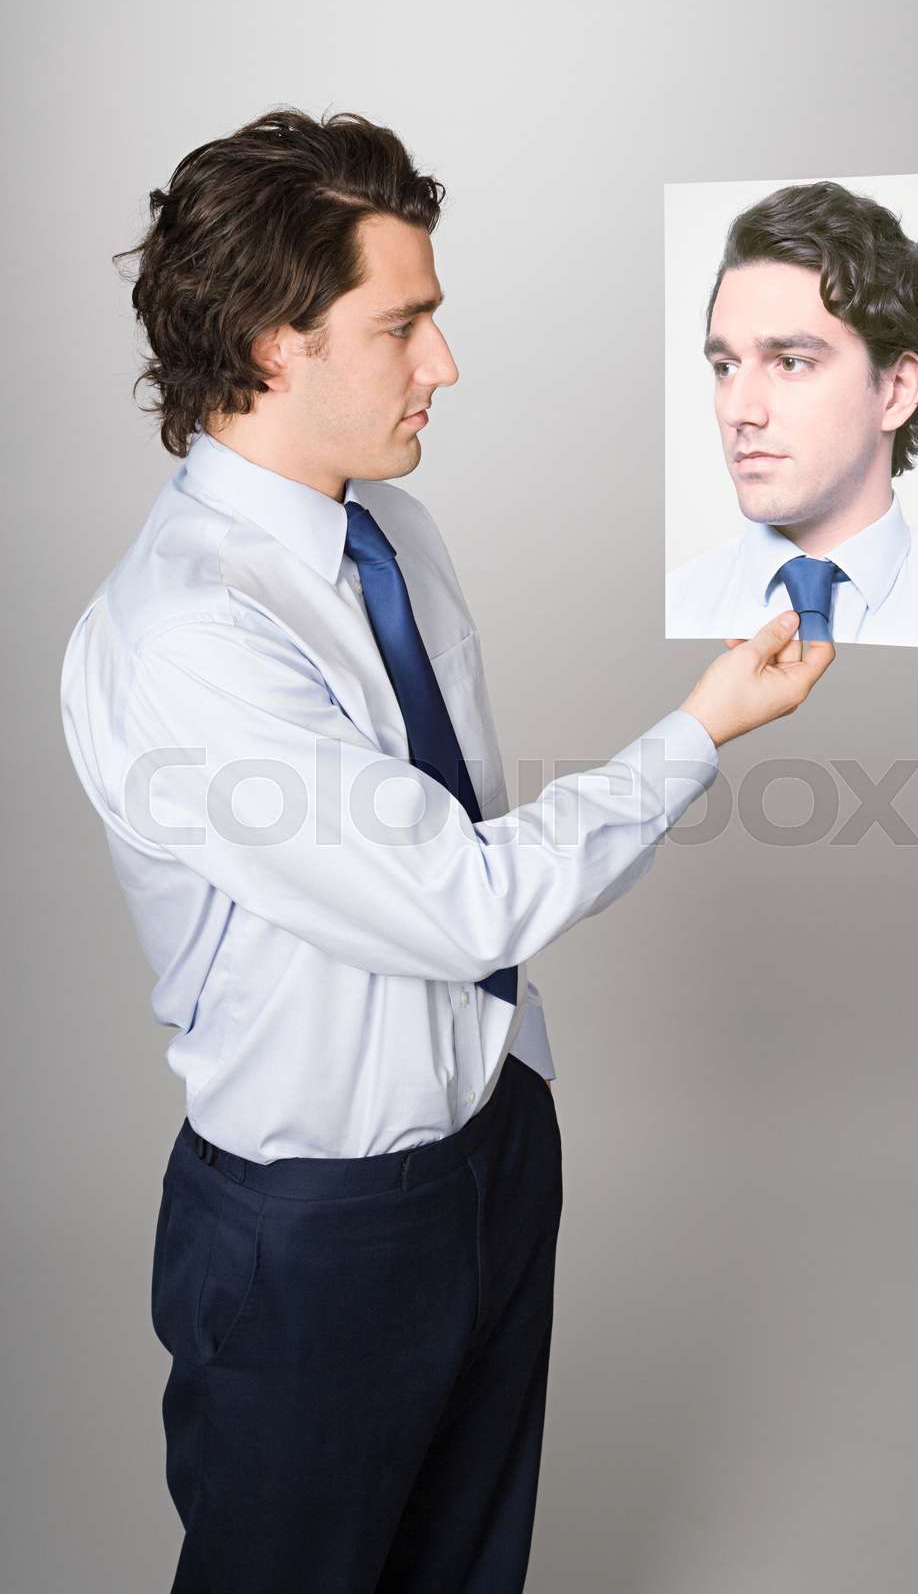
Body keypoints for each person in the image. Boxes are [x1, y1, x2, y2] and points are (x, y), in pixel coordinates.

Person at [58, 107, 834, 1594]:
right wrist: (698, 732)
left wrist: (510, 1104)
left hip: (487, 1152)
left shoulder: (392, 534)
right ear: (278, 343)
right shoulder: (187, 636)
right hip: (319, 1228)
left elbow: (456, 814)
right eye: (402, 323)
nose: (444, 363)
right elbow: (463, 897)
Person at [666, 180, 918, 649]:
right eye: (725, 367)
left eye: (791, 362)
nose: (738, 410)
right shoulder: (674, 607)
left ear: (897, 390)